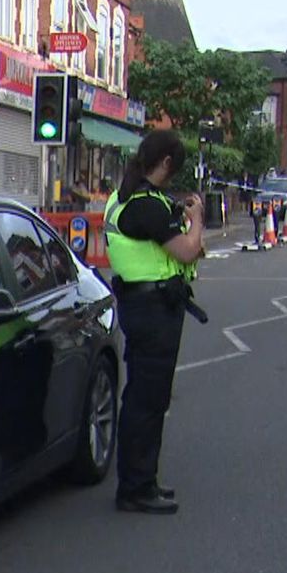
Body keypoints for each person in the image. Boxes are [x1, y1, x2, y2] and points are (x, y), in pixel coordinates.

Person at [103, 129, 206, 515]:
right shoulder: (144, 205)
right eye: (175, 168)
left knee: (145, 399)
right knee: (147, 401)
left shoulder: (127, 197)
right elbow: (186, 250)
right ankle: (135, 487)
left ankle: (142, 480)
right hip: (152, 311)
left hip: (145, 306)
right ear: (165, 163)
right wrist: (197, 220)